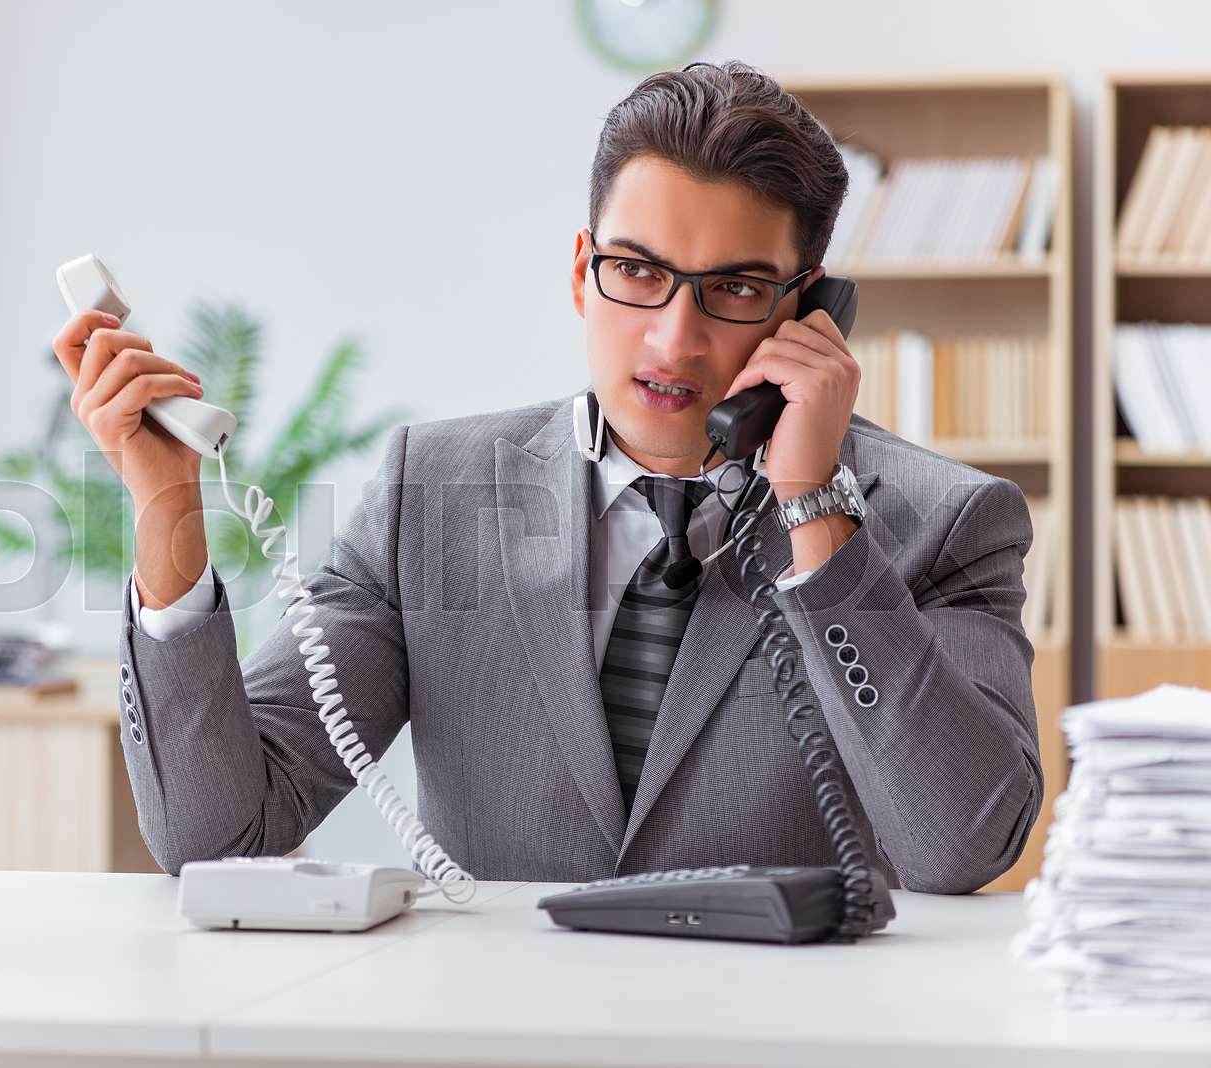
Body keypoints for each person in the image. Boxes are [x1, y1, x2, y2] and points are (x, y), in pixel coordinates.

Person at [50, 60, 1041, 894]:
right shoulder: (427, 495)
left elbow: (959, 850)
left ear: (810, 309)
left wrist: (816, 512)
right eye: (636, 271)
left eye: (734, 288)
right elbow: (218, 839)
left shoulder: (947, 524)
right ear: (581, 273)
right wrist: (170, 516)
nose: (673, 335)